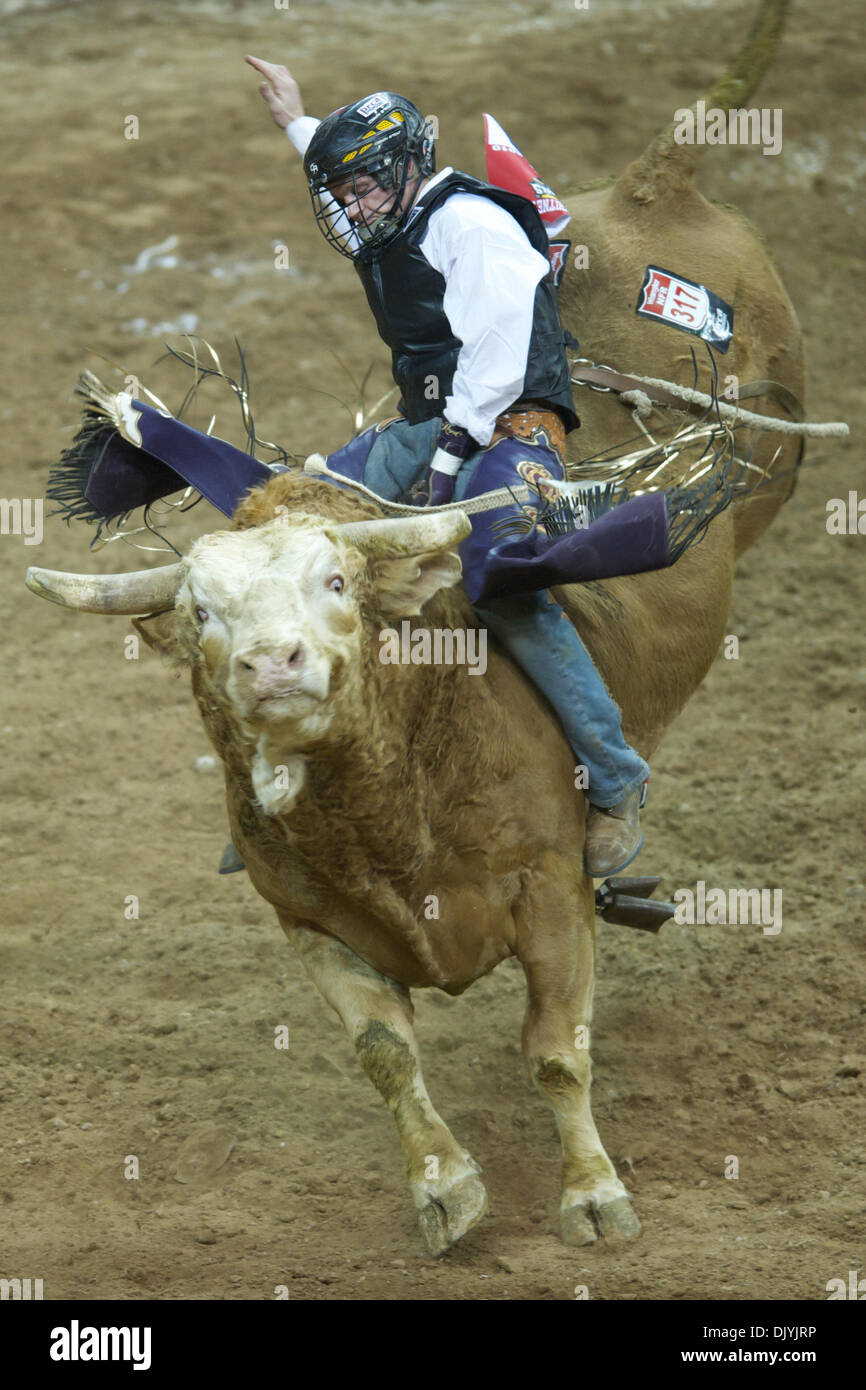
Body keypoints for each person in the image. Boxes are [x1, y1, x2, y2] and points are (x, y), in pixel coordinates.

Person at [243, 55, 650, 876]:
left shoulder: (475, 228)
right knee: (291, 526)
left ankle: (613, 778)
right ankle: (289, 768)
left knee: (499, 576)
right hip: (432, 417)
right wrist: (295, 117)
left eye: (363, 189)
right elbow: (347, 160)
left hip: (509, 424)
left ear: (405, 171)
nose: (352, 208)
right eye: (342, 194)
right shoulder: (396, 204)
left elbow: (496, 368)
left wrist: (446, 465)